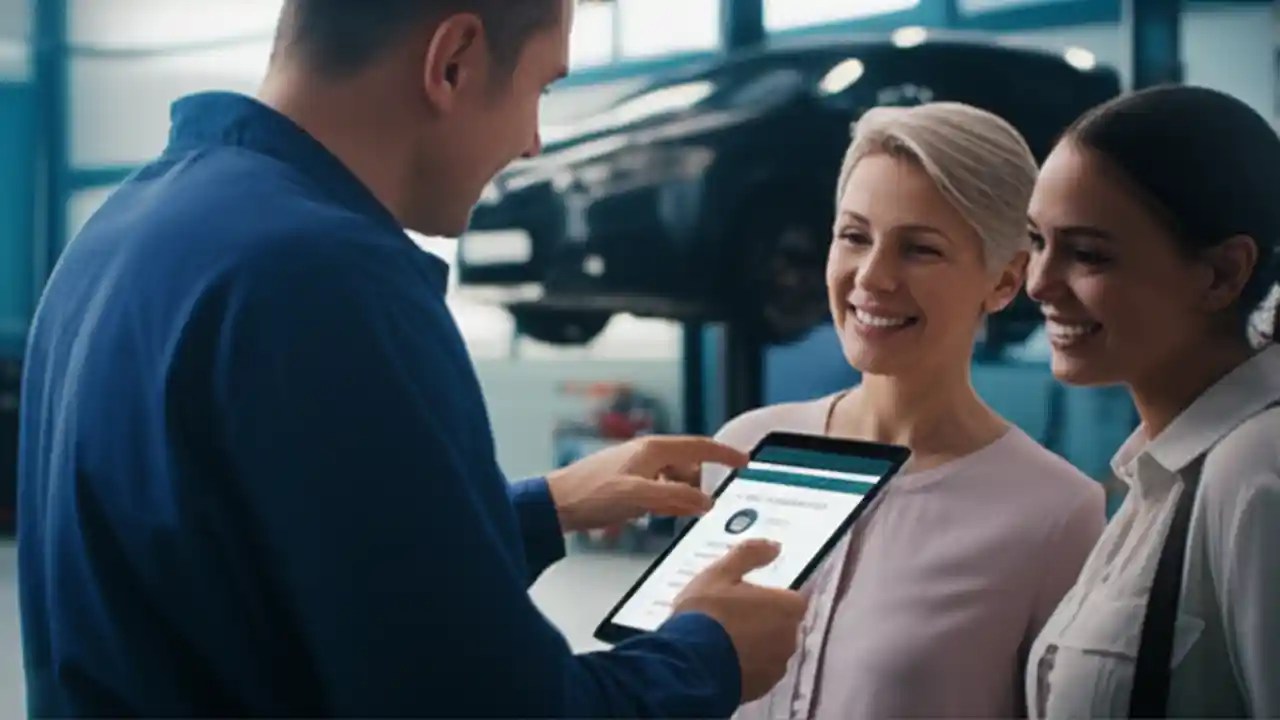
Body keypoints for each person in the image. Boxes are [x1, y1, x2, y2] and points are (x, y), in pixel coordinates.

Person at [16, 1, 809, 717]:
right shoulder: (325, 276)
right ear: (453, 60)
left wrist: (543, 509)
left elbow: (269, 559)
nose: (532, 141)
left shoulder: (129, 227)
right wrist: (708, 654)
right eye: (540, 88)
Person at [702, 102, 1106, 719]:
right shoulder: (745, 447)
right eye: (854, 236)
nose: (873, 277)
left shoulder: (1055, 513)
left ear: (1005, 280)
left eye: (919, 249)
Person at [1025, 85, 1280, 718]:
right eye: (1036, 241)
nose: (1038, 282)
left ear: (1222, 274)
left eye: (1087, 254)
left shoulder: (1253, 470)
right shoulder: (1162, 473)